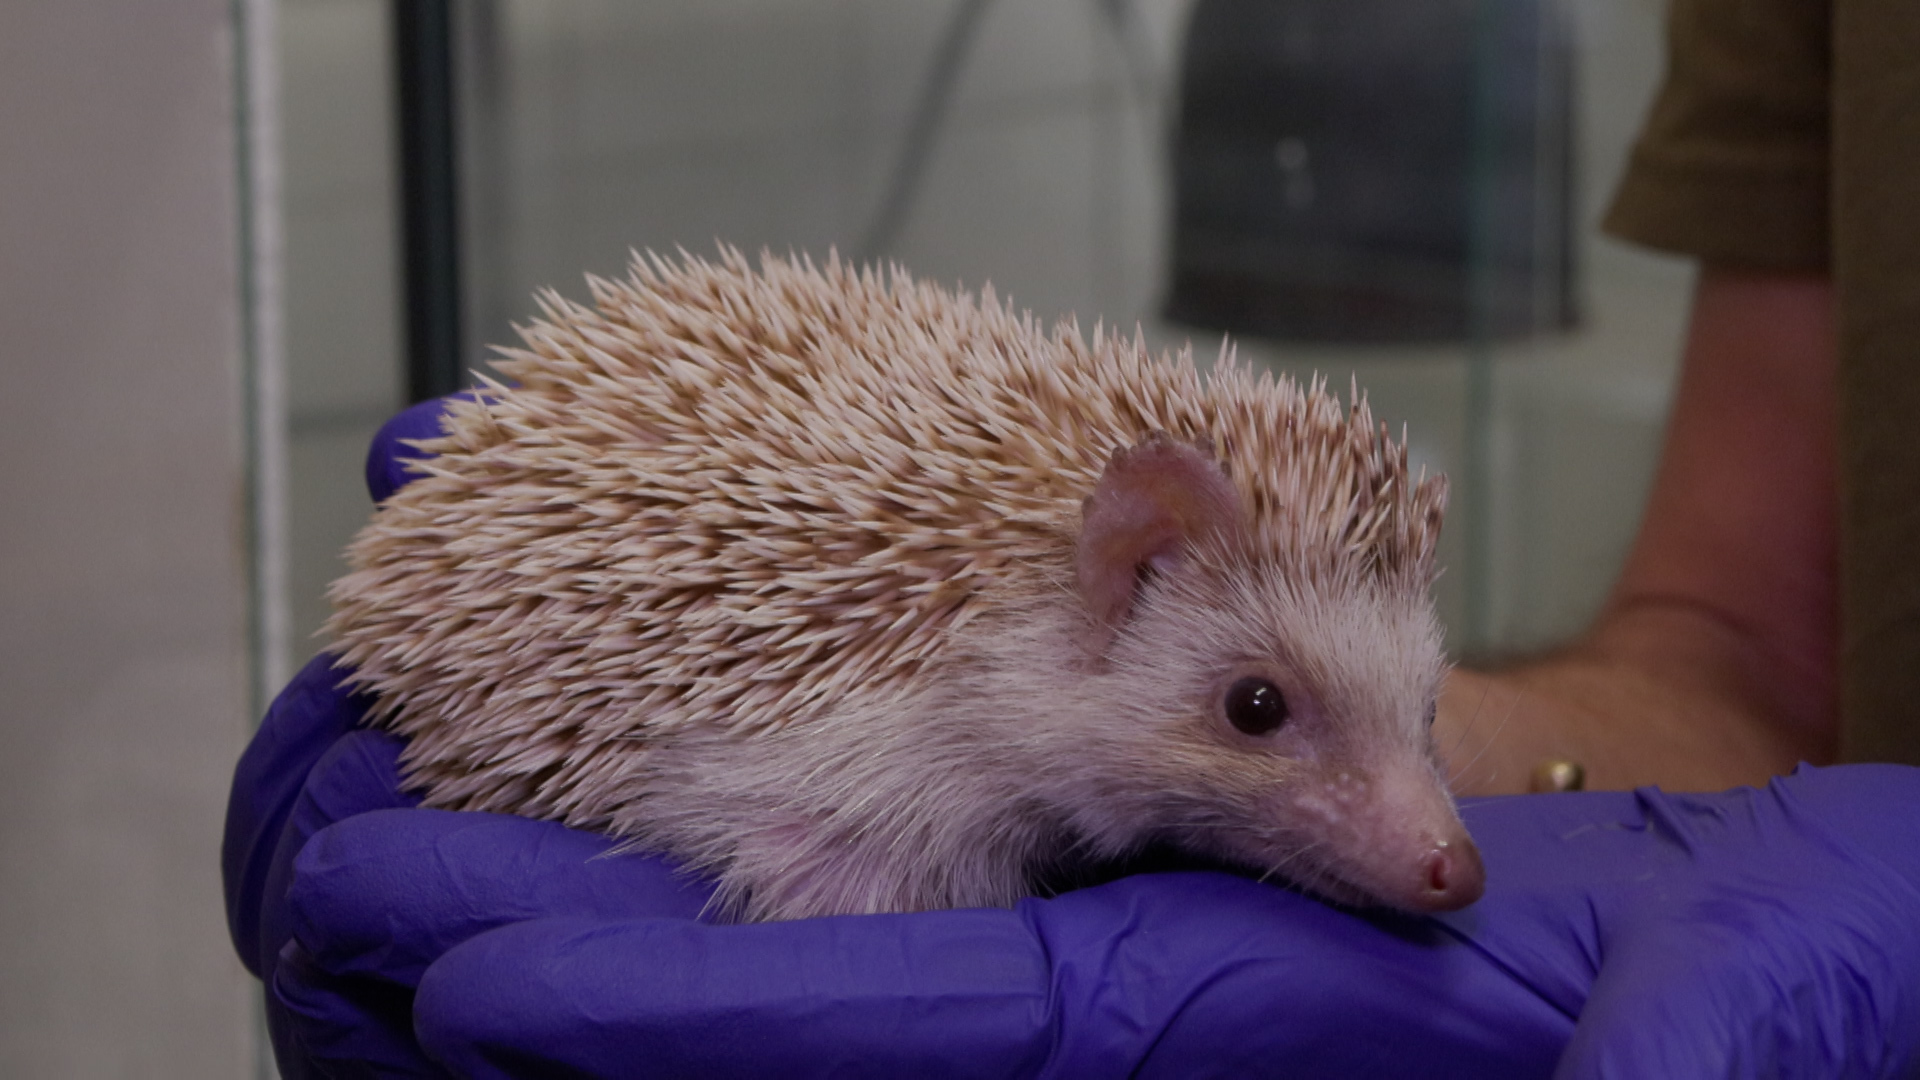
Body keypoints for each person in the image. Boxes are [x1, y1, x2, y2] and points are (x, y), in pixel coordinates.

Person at [225, 0, 1920, 1074]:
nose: (1436, 847)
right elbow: (1745, 645)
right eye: (1259, 707)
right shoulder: (922, 698)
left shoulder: (1109, 653)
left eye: (1415, 721)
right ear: (1115, 579)